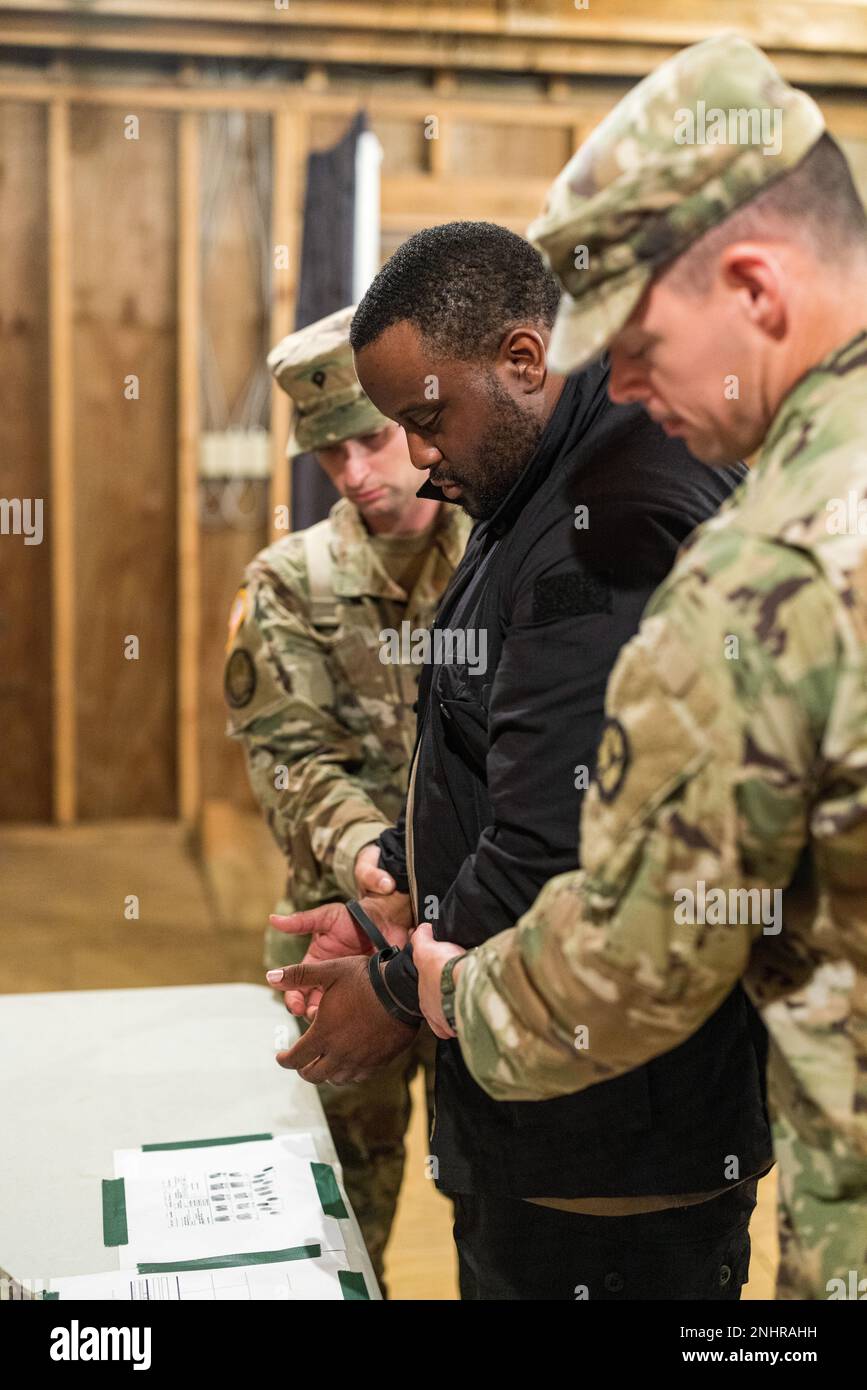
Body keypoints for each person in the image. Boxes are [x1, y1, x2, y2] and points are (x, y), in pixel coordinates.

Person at [413, 35, 867, 1301]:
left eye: (634, 336)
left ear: (758, 288)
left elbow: (638, 960)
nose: (609, 383)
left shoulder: (770, 568)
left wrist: (450, 992)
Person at [268, 223, 773, 1300]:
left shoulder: (608, 530)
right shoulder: (545, 474)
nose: (410, 457)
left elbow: (555, 853)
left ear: (524, 359)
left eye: (422, 418)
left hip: (609, 1160)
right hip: (546, 1111)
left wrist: (396, 988)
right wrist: (395, 898)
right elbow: (505, 759)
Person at [224, 305, 469, 1290]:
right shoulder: (289, 581)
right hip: (342, 938)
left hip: (473, 944)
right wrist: (374, 856)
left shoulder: (502, 557)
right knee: (328, 1219)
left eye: (370, 439)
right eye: (329, 457)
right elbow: (288, 755)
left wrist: (419, 887)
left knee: (499, 1204)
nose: (357, 472)